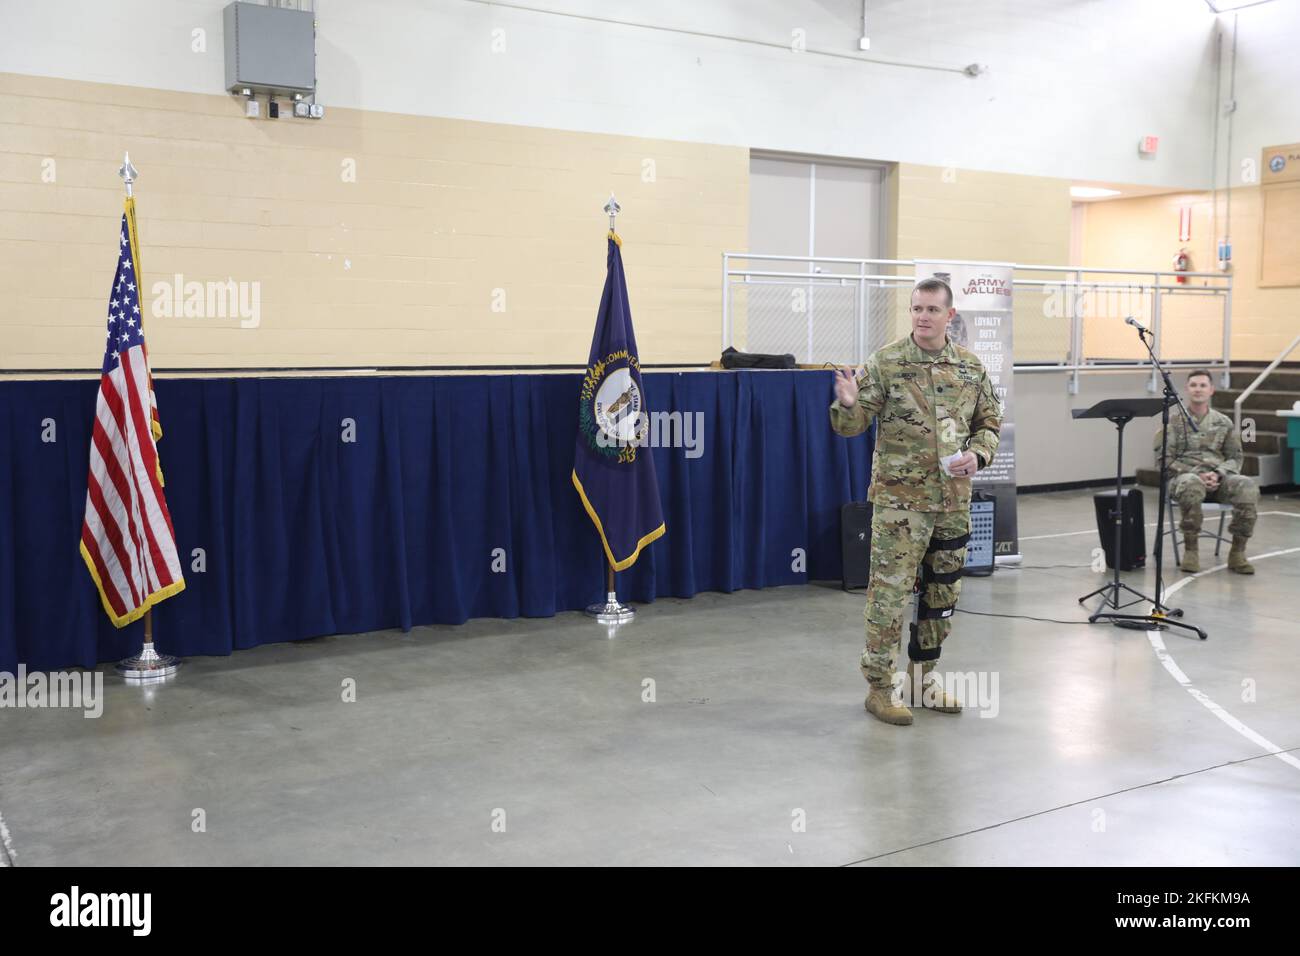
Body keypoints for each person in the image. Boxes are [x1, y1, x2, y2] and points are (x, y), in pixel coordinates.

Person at [830, 278, 1001, 726]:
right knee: (889, 597)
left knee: (941, 596)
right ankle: (880, 689)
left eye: (931, 309)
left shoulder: (970, 367)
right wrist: (848, 405)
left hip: (952, 503)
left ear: (950, 315)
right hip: (900, 505)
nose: (922, 316)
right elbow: (851, 425)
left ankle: (924, 679)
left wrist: (978, 455)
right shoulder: (886, 363)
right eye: (916, 309)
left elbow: (989, 424)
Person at [1156, 369, 1258, 574]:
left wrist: (1218, 473)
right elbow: (1164, 460)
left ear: (1211, 390)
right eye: (1193, 385)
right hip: (1185, 479)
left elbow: (1235, 457)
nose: (1198, 389)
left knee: (1247, 486)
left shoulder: (1224, 422)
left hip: (1218, 479)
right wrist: (1199, 475)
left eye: (1203, 385)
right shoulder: (1173, 423)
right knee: (1191, 483)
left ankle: (1238, 553)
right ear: (1186, 389)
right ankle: (1191, 551)